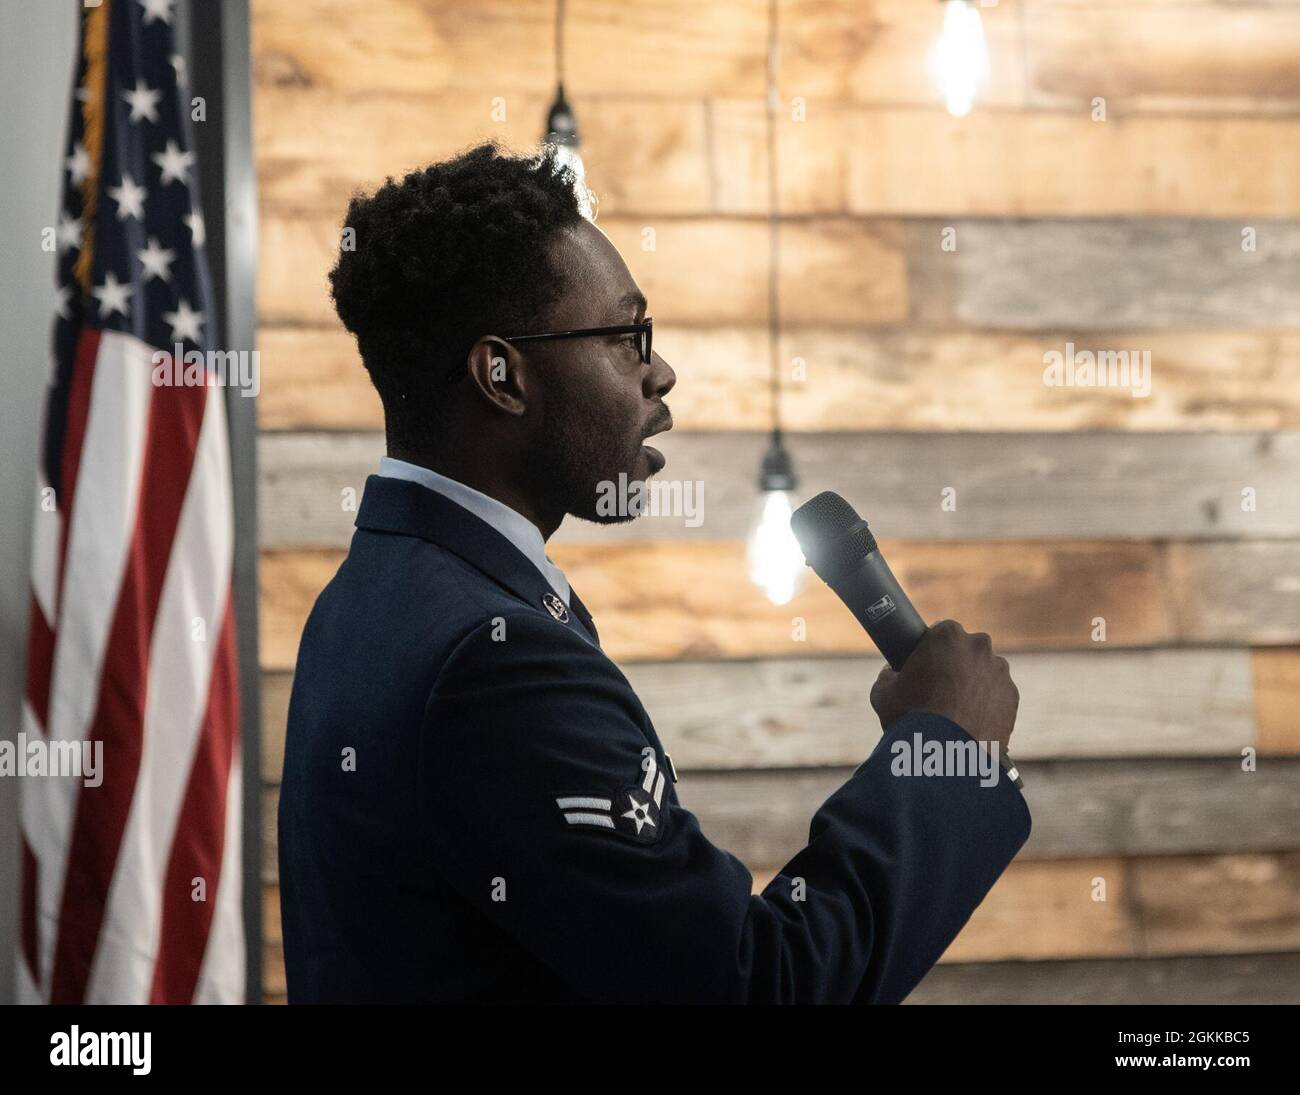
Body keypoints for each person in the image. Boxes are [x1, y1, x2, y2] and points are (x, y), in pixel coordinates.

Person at [278, 142, 1030, 1004]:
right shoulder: (496, 660)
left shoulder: (369, 597)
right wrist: (944, 746)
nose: (660, 371)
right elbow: (758, 986)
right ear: (501, 375)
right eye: (626, 334)